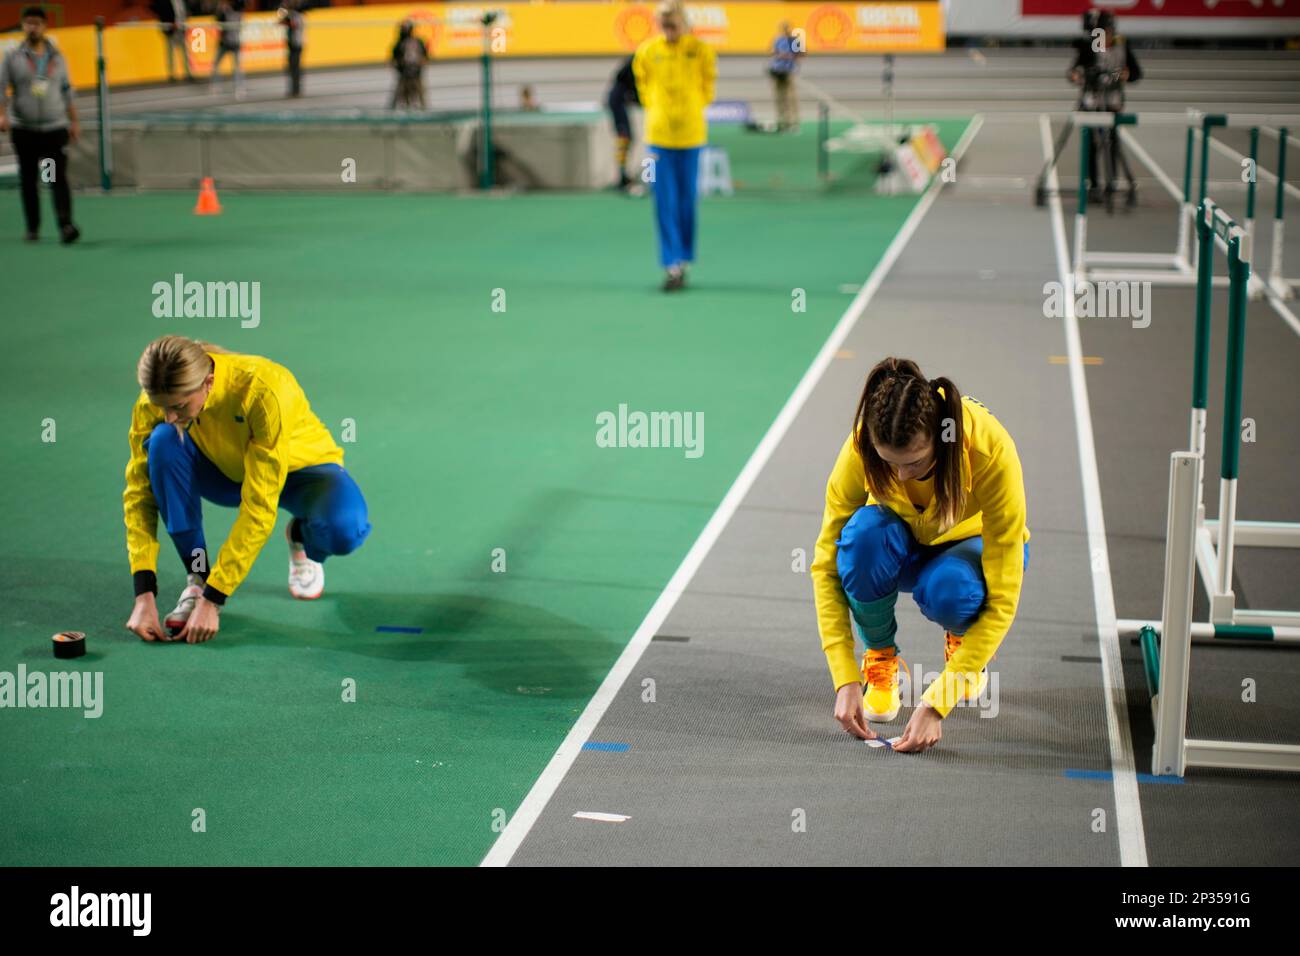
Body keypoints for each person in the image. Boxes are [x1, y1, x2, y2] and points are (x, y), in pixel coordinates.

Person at [811, 358, 1029, 753]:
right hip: (902, 548)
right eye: (887, 462)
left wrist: (937, 702)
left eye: (913, 462)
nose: (900, 477)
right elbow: (826, 564)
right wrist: (843, 678)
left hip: (971, 552)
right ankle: (880, 659)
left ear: (940, 441)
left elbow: (1004, 596)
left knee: (951, 590)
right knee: (861, 539)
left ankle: (963, 646)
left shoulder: (989, 449)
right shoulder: (862, 445)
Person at [123, 337, 372, 644]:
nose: (169, 416)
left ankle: (301, 536)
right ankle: (197, 576)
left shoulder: (264, 389)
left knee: (346, 531)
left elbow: (259, 507)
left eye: (178, 406)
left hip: (301, 473)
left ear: (208, 383)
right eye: (160, 406)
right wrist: (144, 593)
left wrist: (214, 600)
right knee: (163, 442)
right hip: (224, 474)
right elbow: (140, 491)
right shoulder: (157, 402)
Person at [632, 0, 716, 292]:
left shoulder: (700, 51)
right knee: (661, 200)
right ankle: (672, 264)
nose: (669, 31)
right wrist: (658, 112)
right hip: (657, 141)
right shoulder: (646, 52)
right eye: (664, 25)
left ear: (684, 24)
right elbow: (642, 87)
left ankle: (685, 256)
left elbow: (707, 88)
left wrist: (689, 110)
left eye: (674, 25)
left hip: (692, 138)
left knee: (686, 200)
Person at [0, 7, 81, 244]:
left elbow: (67, 90)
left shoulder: (57, 57)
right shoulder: (13, 56)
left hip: (53, 130)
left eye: (36, 23)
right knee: (28, 179)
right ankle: (32, 227)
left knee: (55, 177)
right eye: (27, 23)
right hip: (24, 130)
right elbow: (2, 87)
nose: (31, 27)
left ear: (45, 26)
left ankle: (65, 225)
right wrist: (2, 115)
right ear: (23, 26)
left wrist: (73, 120)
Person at [1068, 9, 1141, 205]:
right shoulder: (1091, 47)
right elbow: (1074, 71)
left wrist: (1122, 75)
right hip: (1092, 103)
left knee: (1112, 144)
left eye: (1106, 31)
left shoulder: (1122, 45)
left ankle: (1112, 182)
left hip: (1113, 104)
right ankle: (1093, 185)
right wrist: (1078, 75)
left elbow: (1135, 73)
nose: (1103, 35)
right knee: (1091, 145)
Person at [605, 55, 641, 193]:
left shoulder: (632, 63)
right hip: (618, 104)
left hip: (620, 103)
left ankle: (623, 174)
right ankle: (621, 175)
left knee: (627, 138)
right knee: (624, 138)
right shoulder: (634, 63)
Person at [768, 21, 801, 132]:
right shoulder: (777, 39)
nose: (785, 30)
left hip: (789, 71)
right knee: (779, 97)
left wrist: (788, 56)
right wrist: (777, 54)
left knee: (791, 98)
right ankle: (782, 121)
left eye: (787, 28)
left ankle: (793, 122)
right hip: (778, 71)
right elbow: (772, 52)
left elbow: (799, 54)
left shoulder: (794, 40)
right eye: (783, 28)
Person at [151, 0, 194, 83]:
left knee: (185, 53)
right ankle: (171, 75)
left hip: (181, 29)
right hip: (170, 31)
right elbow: (161, 12)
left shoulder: (181, 1)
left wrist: (184, 22)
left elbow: (184, 12)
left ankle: (188, 74)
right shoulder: (165, 2)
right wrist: (170, 24)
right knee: (170, 53)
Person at [390, 19, 427, 110]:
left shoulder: (401, 43)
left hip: (411, 72)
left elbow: (424, 57)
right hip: (408, 72)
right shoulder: (415, 41)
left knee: (413, 93)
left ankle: (421, 109)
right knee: (407, 94)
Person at [210, 0, 244, 100]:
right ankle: (216, 86)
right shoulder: (223, 12)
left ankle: (239, 87)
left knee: (237, 67)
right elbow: (217, 21)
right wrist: (221, 9)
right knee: (215, 65)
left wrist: (224, 10)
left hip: (234, 43)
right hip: (225, 43)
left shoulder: (236, 12)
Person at [279, 1, 305, 98]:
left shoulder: (297, 15)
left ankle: (296, 90)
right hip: (292, 44)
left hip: (297, 44)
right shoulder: (291, 15)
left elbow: (294, 25)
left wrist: (287, 21)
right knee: (291, 68)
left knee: (295, 68)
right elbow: (281, 23)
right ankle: (293, 89)